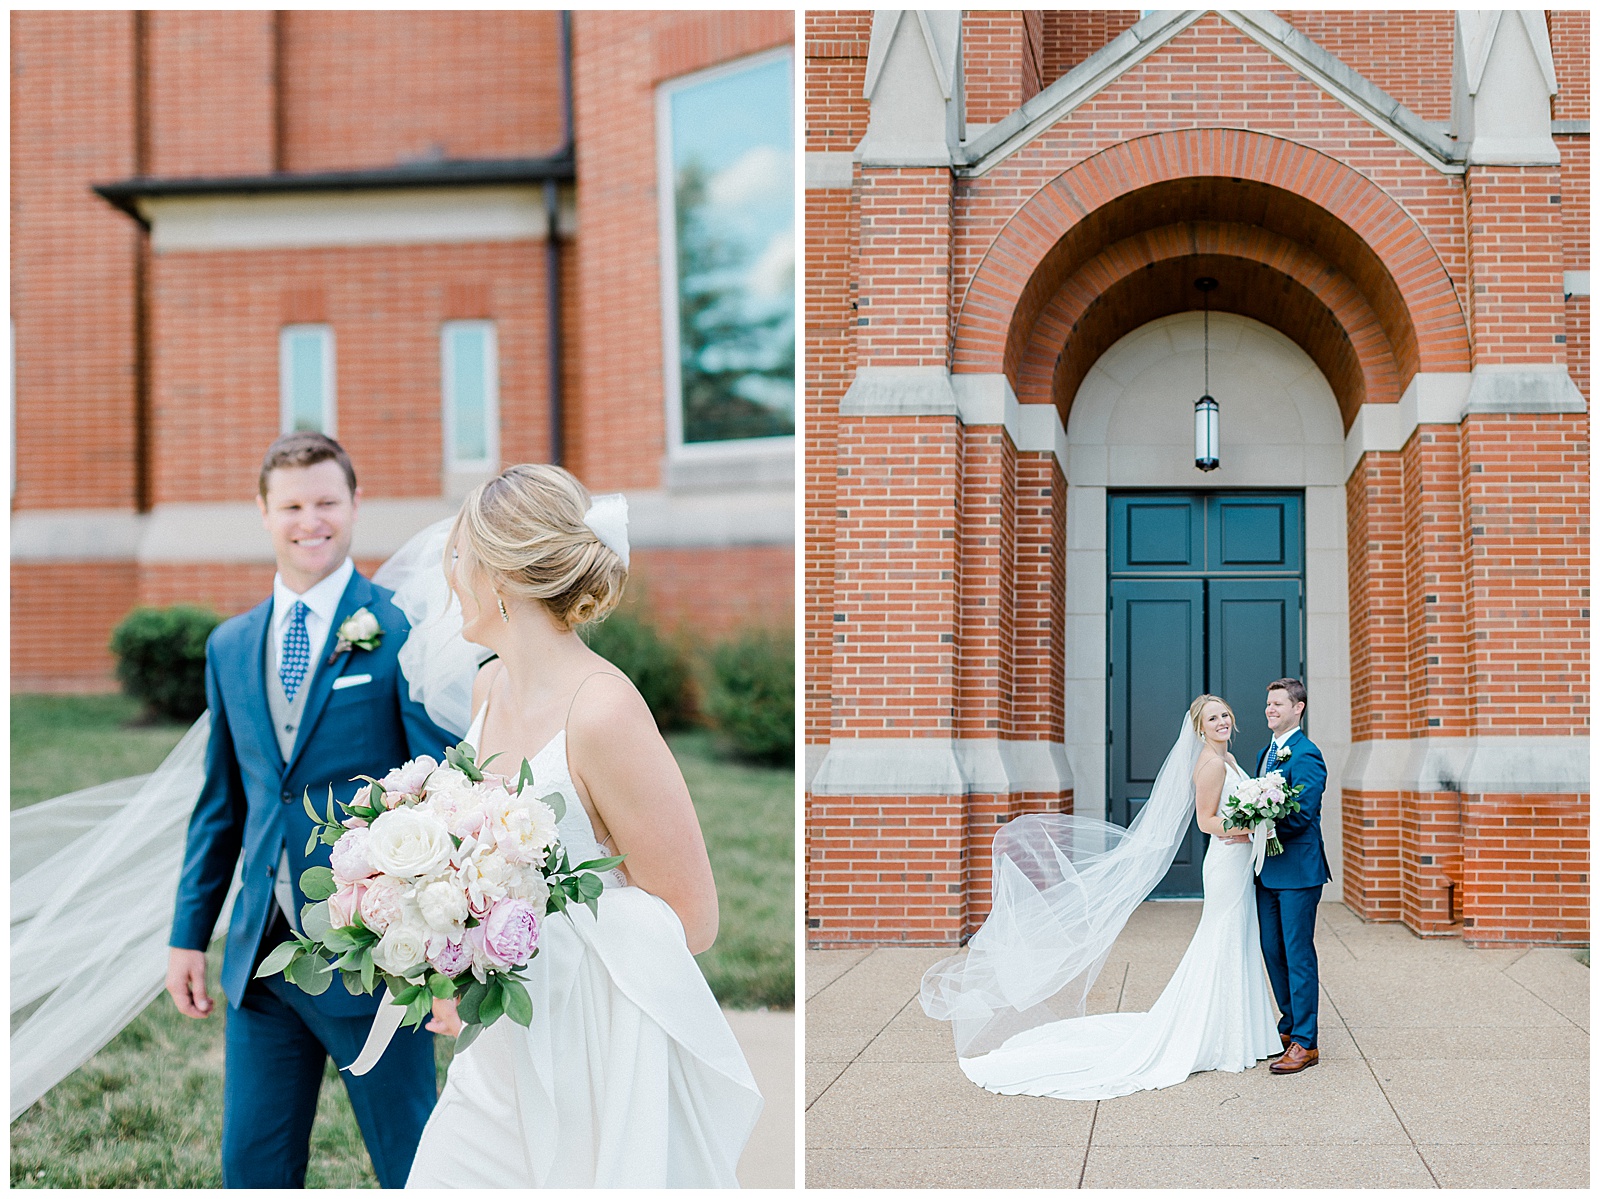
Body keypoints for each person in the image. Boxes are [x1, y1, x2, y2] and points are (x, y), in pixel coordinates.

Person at [402, 463, 762, 1188]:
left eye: (459, 555)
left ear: (501, 575)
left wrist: (536, 924)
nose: (448, 574)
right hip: (497, 1035)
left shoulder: (602, 712)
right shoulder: (487, 684)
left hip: (588, 1040)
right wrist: (456, 950)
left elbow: (694, 918)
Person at [166, 431, 454, 1187]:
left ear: (356, 505)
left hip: (374, 958)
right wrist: (187, 936)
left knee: (412, 1165)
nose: (310, 520)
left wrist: (442, 943)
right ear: (263, 512)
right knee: (252, 1167)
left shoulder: (399, 628)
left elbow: (441, 789)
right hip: (260, 964)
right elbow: (222, 804)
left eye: (327, 501)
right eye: (291, 504)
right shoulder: (230, 644)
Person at [920, 694, 1281, 1099]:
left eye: (1225, 715)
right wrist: (1248, 827)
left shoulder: (1229, 759)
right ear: (1199, 728)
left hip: (1236, 864)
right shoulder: (1212, 764)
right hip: (1225, 862)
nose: (1221, 722)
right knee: (1222, 938)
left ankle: (1240, 1029)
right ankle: (1221, 1036)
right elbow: (1205, 820)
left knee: (1237, 937)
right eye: (1212, 718)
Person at [1253, 677, 1331, 1075]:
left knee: (1298, 954)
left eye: (1278, 704)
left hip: (1298, 870)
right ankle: (1288, 1025)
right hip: (1267, 871)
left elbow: (1301, 814)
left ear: (1297, 708)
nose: (1270, 709)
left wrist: (1258, 820)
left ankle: (1306, 1042)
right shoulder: (1266, 753)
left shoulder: (1306, 754)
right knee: (1272, 950)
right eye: (1268, 703)